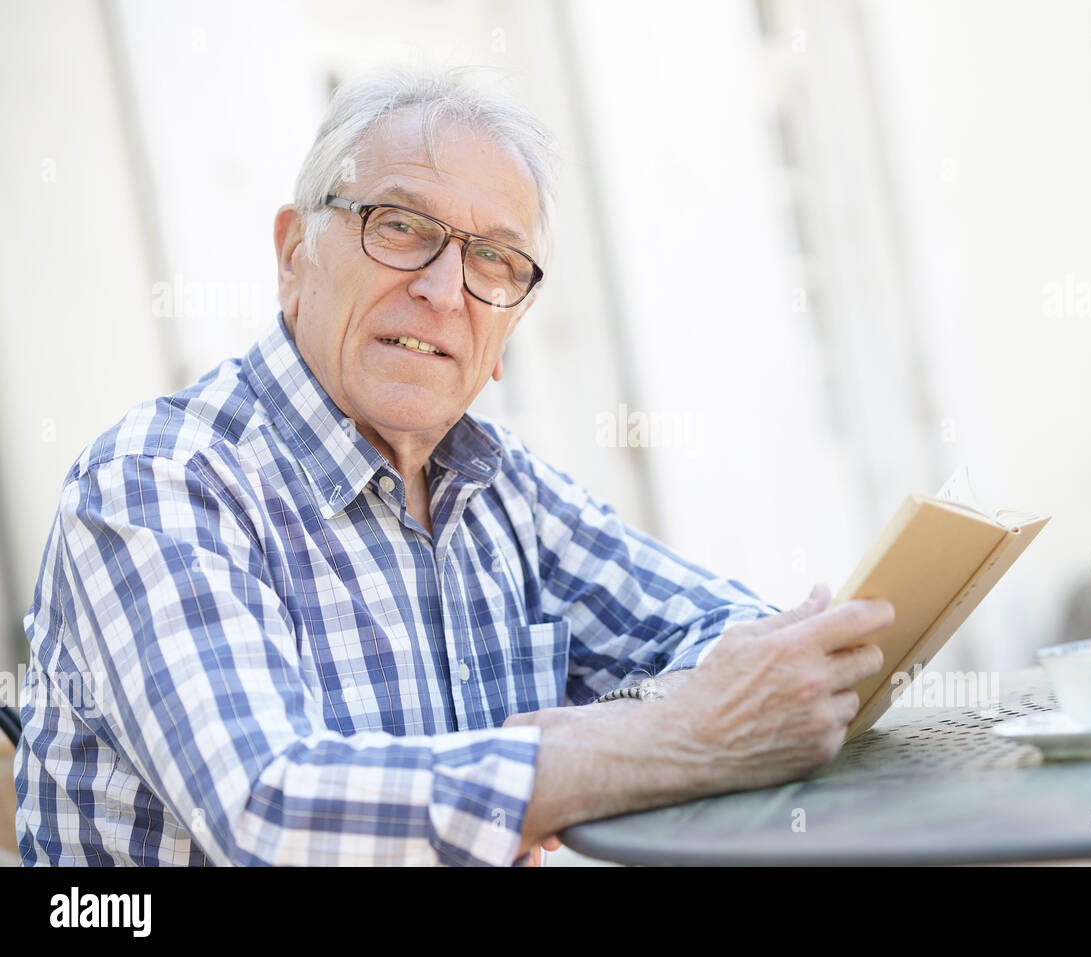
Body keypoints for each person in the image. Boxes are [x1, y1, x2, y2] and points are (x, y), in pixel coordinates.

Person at [14, 68, 891, 866]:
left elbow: (729, 634)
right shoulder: (157, 483)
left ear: (508, 329)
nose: (444, 289)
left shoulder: (501, 487)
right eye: (399, 227)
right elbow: (274, 809)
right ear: (294, 255)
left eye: (493, 260)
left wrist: (619, 732)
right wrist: (657, 743)